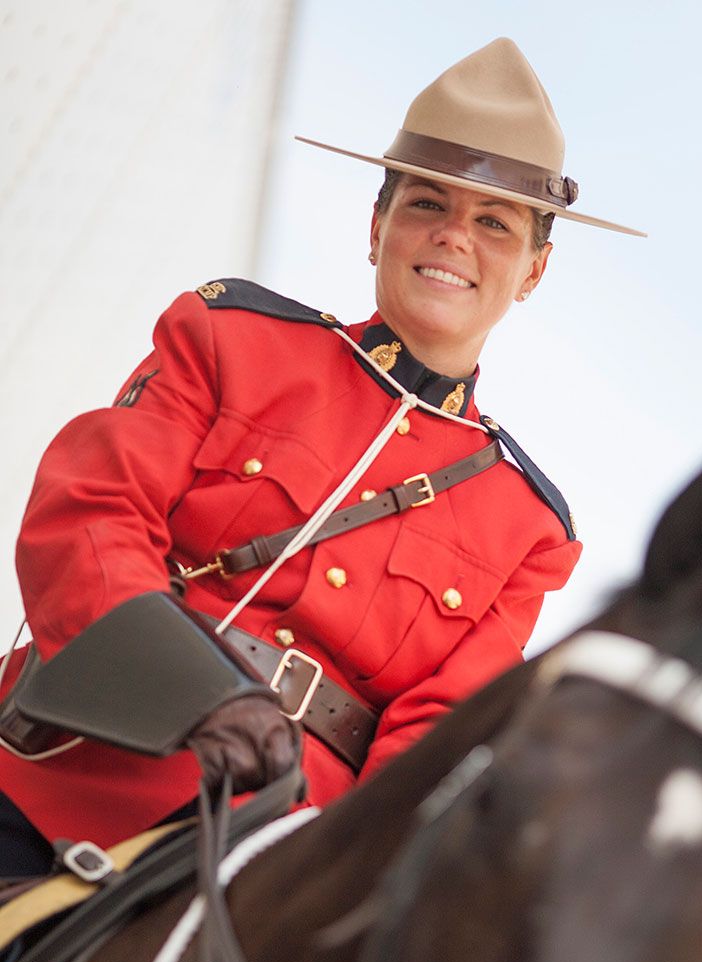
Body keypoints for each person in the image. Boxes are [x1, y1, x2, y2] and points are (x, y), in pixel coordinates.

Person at [0, 38, 642, 878]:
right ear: (377, 226)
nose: (454, 237)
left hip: (271, 861)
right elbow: (87, 516)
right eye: (426, 204)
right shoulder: (230, 338)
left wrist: (337, 873)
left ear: (532, 272)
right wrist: (197, 697)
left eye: (494, 223)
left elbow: (433, 741)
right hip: (68, 767)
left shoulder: (526, 529)